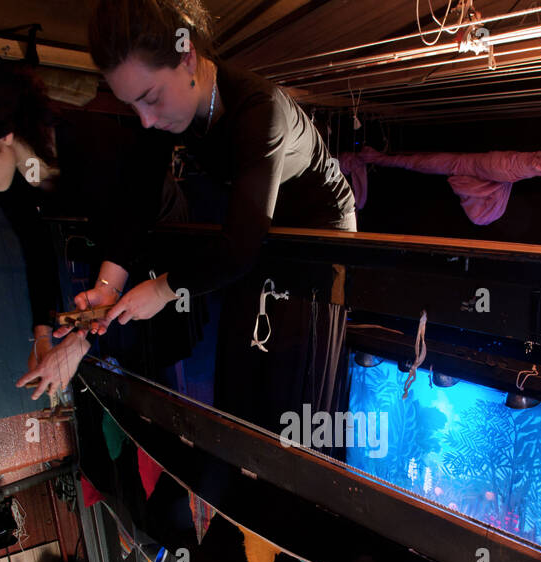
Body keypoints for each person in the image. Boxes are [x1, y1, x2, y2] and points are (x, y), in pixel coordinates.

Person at [53, 0, 357, 430]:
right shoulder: (165, 116)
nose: (145, 119)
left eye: (150, 97)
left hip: (319, 222)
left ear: (187, 56)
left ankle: (295, 478)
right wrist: (108, 286)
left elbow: (239, 248)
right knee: (239, 356)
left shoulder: (259, 108)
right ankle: (242, 466)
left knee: (292, 373)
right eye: (131, 106)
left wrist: (161, 289)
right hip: (256, 222)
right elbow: (138, 199)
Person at [0, 41, 193, 402]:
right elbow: (34, 243)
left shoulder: (87, 146)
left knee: (164, 364)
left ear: (3, 136)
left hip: (156, 238)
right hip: (110, 253)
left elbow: (127, 229)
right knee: (122, 358)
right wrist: (41, 335)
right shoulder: (9, 174)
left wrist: (80, 339)